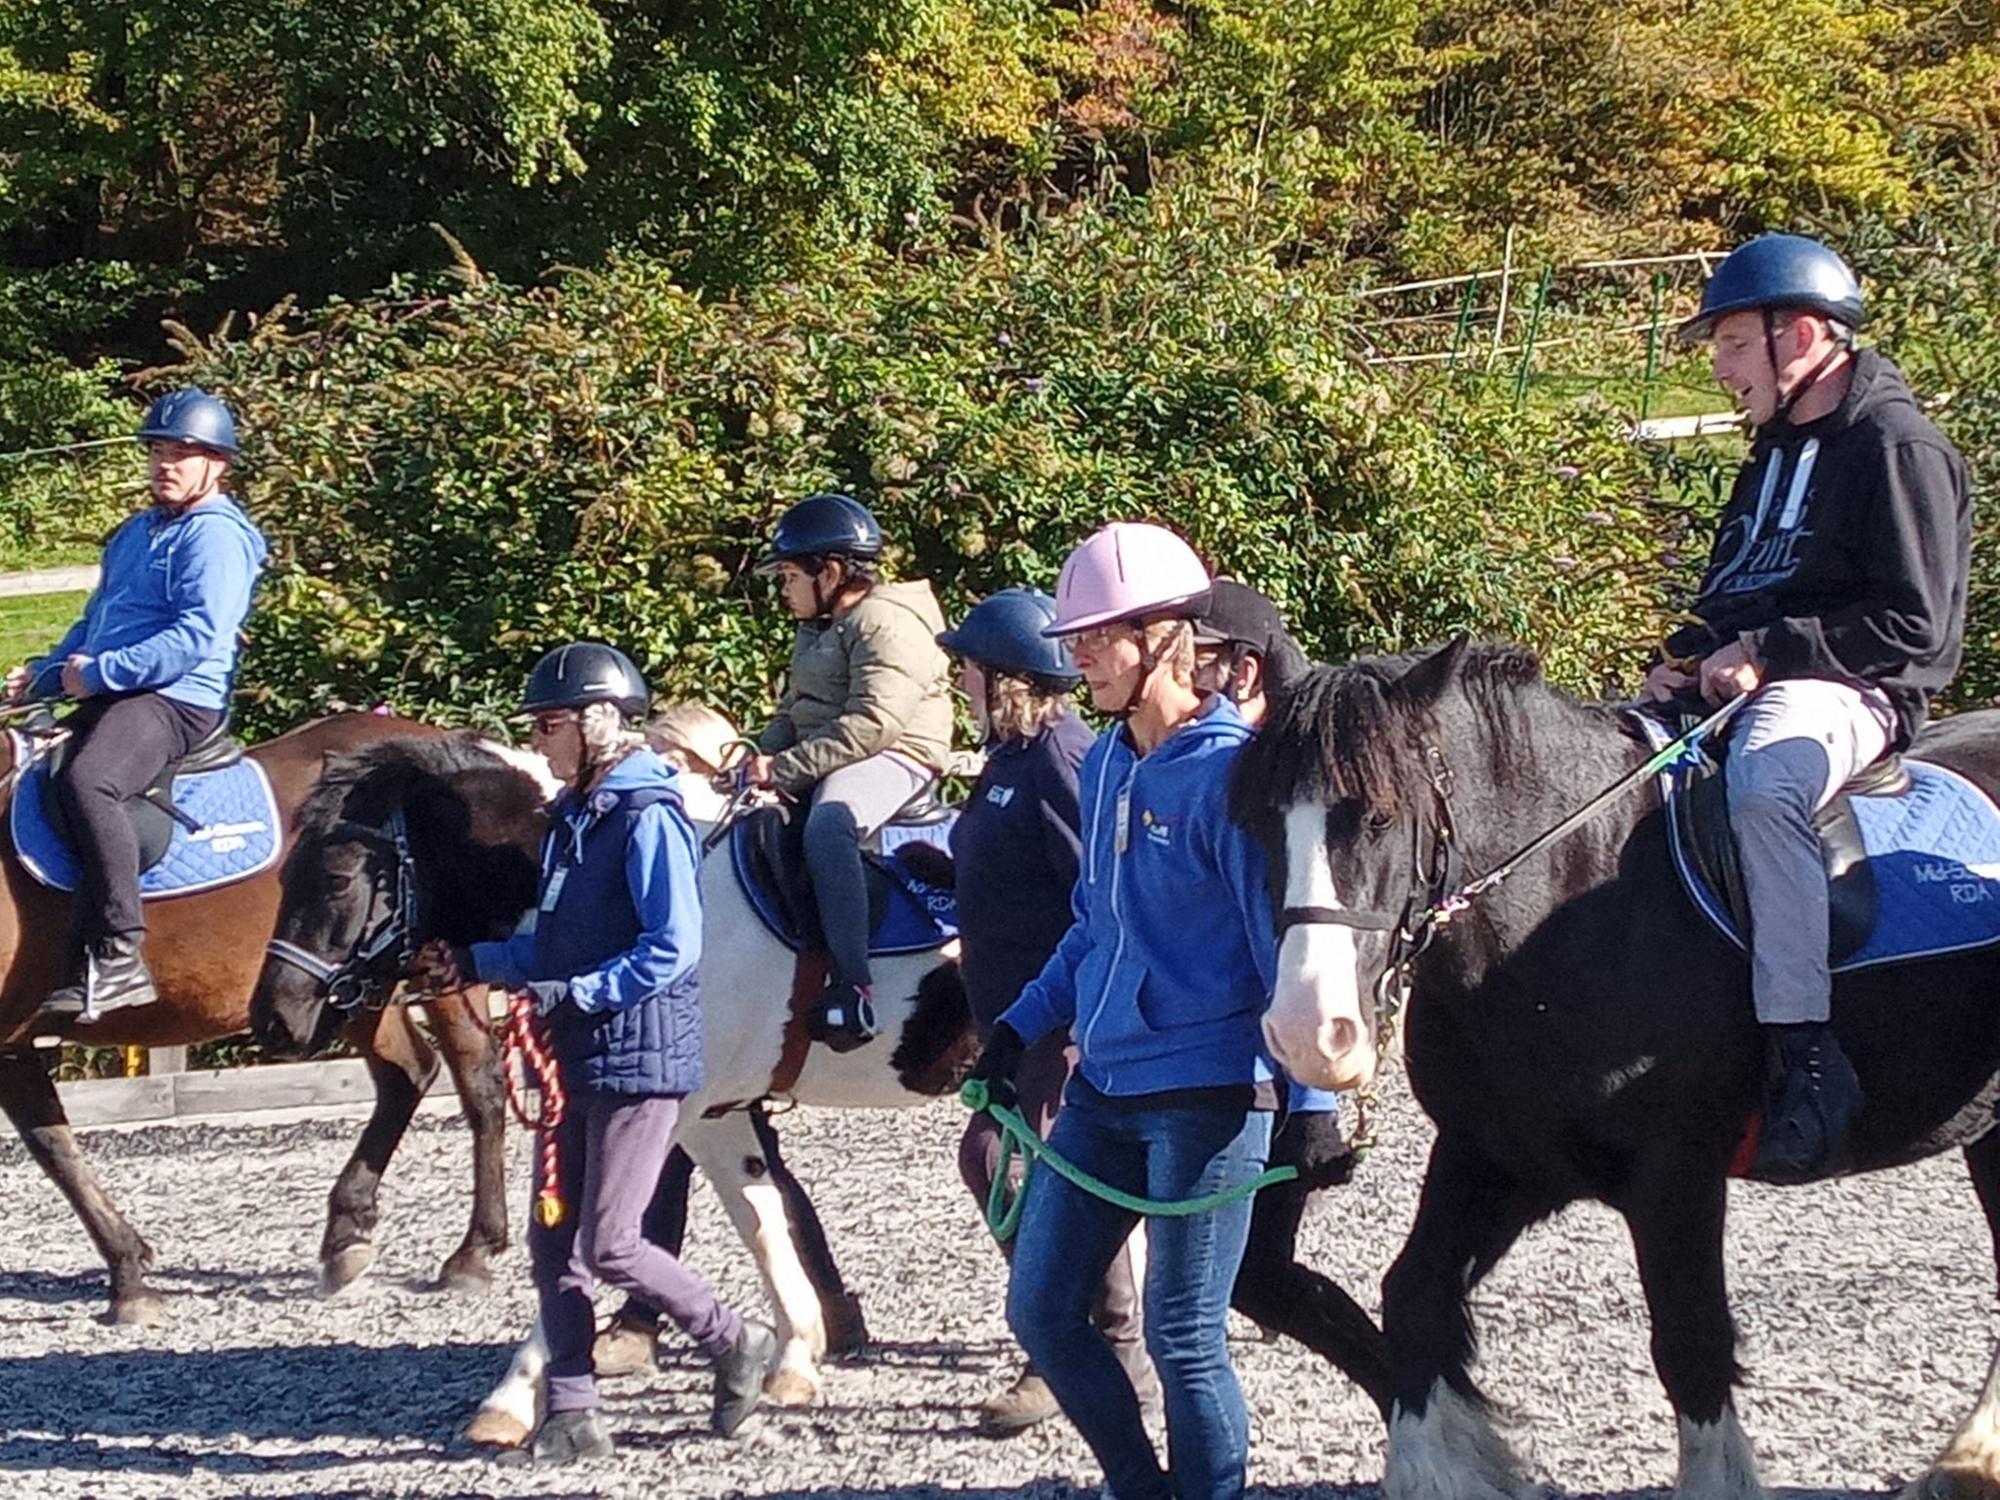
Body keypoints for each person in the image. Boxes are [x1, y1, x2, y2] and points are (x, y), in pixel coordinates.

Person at [966, 522, 1278, 1500]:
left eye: (1099, 637)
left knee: (1183, 1336)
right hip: (1102, 1088)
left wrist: (1307, 1105)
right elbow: (1091, 928)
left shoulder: (1235, 774)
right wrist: (1017, 1027)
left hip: (1210, 1096)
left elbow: (1281, 949)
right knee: (1041, 1311)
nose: (1080, 657)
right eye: (1078, 638)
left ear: (1162, 637)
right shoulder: (1103, 764)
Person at [1650, 233, 1971, 1182]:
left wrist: (1768, 651)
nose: (1719, 366)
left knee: (1763, 786)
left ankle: (1804, 1052)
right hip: (1755, 675)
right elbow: (1732, 595)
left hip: (1854, 688)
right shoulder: (1772, 453)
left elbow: (1918, 626)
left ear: (1800, 336)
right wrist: (1685, 657)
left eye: (1732, 344)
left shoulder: (1895, 446)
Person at [413, 643, 775, 1462]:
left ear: (598, 723)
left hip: (639, 1058)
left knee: (611, 1243)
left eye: (548, 725)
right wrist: (475, 962)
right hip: (572, 1053)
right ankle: (574, 1411)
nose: (538, 742)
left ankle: (732, 1337)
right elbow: (557, 944)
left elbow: (672, 947)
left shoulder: (648, 818)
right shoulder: (575, 820)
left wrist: (576, 994)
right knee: (553, 1240)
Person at [937, 587, 1154, 1437]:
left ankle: (1083, 1347)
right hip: (1008, 1016)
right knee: (1015, 1166)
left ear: (1007, 678)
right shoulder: (1008, 757)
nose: (959, 680)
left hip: (1054, 1021)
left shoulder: (1064, 758)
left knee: (1015, 1165)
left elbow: (1096, 894)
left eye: (969, 668)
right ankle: (1095, 1345)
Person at [5, 388, 268, 1022]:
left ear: (217, 464)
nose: (165, 464)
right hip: (115, 692)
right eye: (157, 451)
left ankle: (120, 949)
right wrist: (43, 675)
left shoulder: (217, 537)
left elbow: (197, 636)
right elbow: (94, 623)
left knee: (92, 780)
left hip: (175, 700)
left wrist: (100, 674)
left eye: (182, 453)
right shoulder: (136, 533)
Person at [1190, 581, 1390, 1411]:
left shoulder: (1283, 788)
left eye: (1196, 656)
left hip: (1276, 1067)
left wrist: (1313, 1104)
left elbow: (1305, 948)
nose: (1177, 668)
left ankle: (1411, 1396)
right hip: (1207, 1060)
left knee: (1254, 1278)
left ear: (1243, 670)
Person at [745, 492, 954, 1050]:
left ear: (831, 572)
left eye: (790, 576)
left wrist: (783, 770)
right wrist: (756, 758)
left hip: (897, 752)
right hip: (840, 749)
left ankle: (853, 988)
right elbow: (794, 711)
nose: (784, 589)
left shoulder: (885, 621)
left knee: (829, 823)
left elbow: (873, 723)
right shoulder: (821, 627)